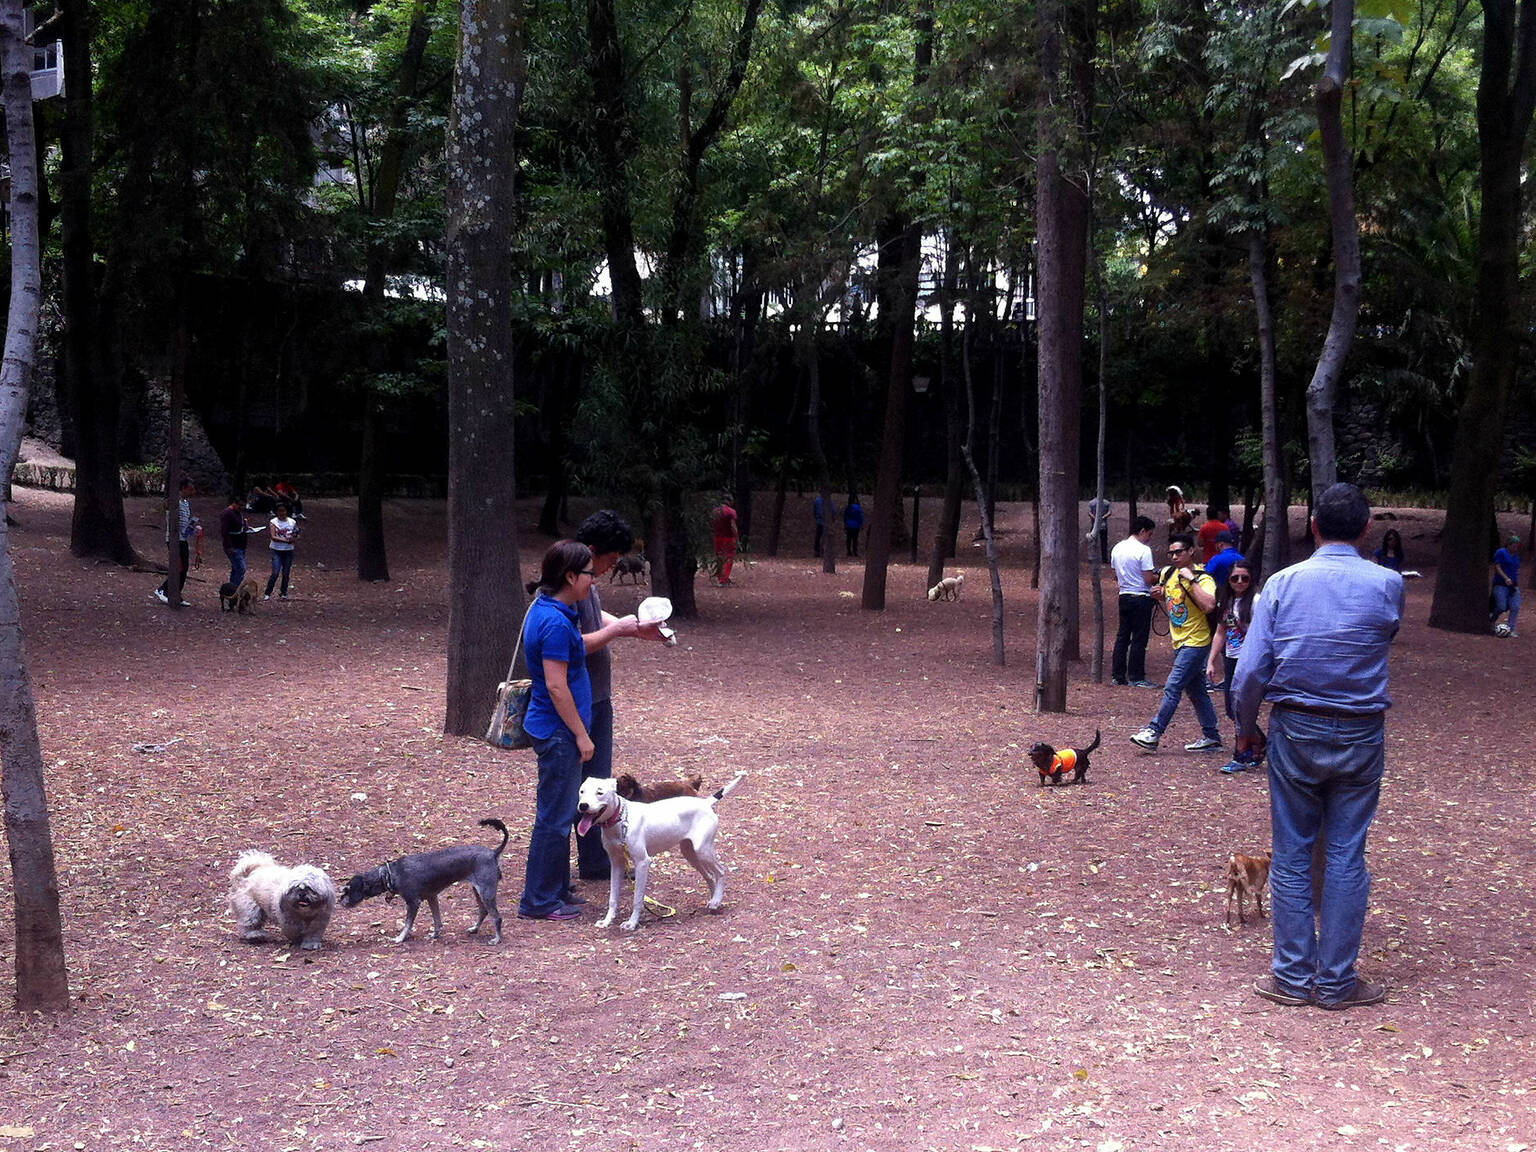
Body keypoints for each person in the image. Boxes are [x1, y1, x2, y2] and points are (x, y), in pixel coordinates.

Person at [1233, 482, 1403, 1011]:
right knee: (1348, 852)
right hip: (1360, 730)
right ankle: (1336, 982)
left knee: (1291, 852)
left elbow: (1251, 671)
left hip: (1295, 727)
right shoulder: (1388, 584)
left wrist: (1245, 725)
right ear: (1366, 529)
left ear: (1313, 527)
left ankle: (1291, 977)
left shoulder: (1282, 584)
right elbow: (1382, 634)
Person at [571, 510, 663, 882]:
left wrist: (632, 629)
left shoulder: (587, 584)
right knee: (577, 786)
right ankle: (559, 876)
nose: (611, 568)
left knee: (598, 780)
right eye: (609, 560)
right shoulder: (571, 584)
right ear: (593, 551)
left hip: (599, 697)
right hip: (580, 701)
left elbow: (596, 616)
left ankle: (596, 861)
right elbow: (572, 643)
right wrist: (616, 632)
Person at [517, 541, 598, 922]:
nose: (593, 581)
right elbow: (555, 685)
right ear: (569, 576)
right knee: (553, 816)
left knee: (562, 811)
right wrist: (581, 734)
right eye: (589, 574)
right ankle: (539, 900)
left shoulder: (551, 610)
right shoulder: (552, 620)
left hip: (555, 729)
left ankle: (557, 888)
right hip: (558, 732)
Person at [1128, 533, 1224, 754]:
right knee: (1197, 691)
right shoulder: (1169, 574)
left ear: (1191, 551)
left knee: (1173, 686)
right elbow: (1173, 598)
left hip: (1197, 641)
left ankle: (1154, 732)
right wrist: (1160, 594)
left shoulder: (1203, 578)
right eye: (1171, 552)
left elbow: (1209, 605)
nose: (1174, 556)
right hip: (1179, 641)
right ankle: (1212, 737)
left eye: (1179, 552)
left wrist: (1190, 579)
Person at [1207, 559, 1258, 774]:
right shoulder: (1226, 601)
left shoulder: (1256, 601)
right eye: (1235, 578)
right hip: (1231, 657)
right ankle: (1258, 744)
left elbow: (1261, 633)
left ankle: (1241, 755)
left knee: (1240, 708)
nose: (1239, 582)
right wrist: (1211, 660)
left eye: (1244, 578)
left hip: (1249, 661)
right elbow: (1221, 631)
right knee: (1231, 708)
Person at [1110, 515, 1161, 688]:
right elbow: (1148, 579)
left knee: (1123, 636)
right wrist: (1158, 577)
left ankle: (1118, 675)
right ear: (1142, 531)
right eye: (1149, 534)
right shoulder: (1144, 551)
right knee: (1139, 638)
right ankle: (1136, 676)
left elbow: (1115, 574)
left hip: (1124, 595)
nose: (1149, 538)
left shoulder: (1117, 548)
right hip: (1141, 596)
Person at [153, 479, 200, 606]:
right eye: (190, 489)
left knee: (184, 568)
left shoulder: (186, 503)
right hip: (174, 540)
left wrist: (193, 529)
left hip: (183, 539)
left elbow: (185, 523)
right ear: (183, 488)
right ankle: (162, 589)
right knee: (178, 567)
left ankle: (176, 594)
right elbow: (169, 514)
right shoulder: (174, 502)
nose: (192, 492)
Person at [219, 494, 261, 588]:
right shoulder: (227, 513)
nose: (242, 508)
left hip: (241, 544)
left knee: (236, 568)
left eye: (243, 506)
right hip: (234, 545)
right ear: (234, 503)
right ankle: (234, 589)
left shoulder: (238, 513)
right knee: (241, 568)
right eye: (240, 505)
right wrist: (229, 546)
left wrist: (246, 527)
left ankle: (232, 586)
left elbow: (238, 525)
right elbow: (224, 531)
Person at [264, 502, 300, 600]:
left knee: (286, 572)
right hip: (276, 550)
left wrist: (294, 538)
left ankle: (284, 592)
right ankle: (268, 592)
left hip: (288, 550)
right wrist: (286, 540)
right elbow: (273, 536)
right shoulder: (274, 522)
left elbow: (296, 533)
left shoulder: (292, 522)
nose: (281, 513)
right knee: (275, 572)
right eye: (279, 511)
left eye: (283, 511)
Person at [1490, 533, 1521, 638]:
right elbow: (1497, 566)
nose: (1516, 547)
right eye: (1514, 545)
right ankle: (1491, 619)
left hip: (1513, 585)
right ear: (1509, 544)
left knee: (1515, 606)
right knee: (1501, 606)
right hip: (1501, 584)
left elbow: (1516, 569)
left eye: (1517, 546)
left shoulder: (1516, 556)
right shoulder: (1501, 552)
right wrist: (1505, 578)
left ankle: (1511, 629)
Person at [711, 494, 739, 585]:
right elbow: (732, 525)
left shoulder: (715, 511)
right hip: (728, 537)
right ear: (730, 501)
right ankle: (724, 578)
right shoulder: (731, 511)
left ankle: (719, 576)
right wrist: (737, 537)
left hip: (717, 537)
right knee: (729, 557)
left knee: (719, 557)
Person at [1086, 496, 1111, 564]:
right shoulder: (1106, 502)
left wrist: (1095, 518)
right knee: (1104, 543)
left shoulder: (1091, 502)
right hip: (1103, 526)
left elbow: (1089, 512)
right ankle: (1104, 559)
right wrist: (1102, 517)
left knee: (1093, 542)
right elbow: (1109, 512)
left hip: (1094, 525)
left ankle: (1092, 558)